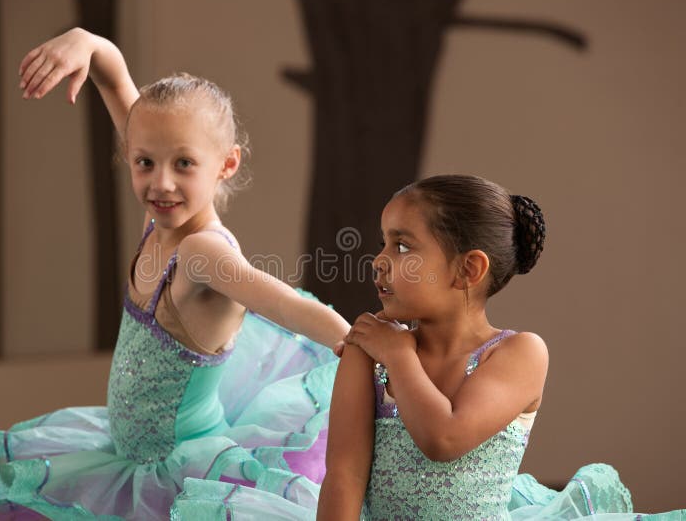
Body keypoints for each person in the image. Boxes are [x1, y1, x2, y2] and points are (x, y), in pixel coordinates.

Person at [0, 28, 349, 520]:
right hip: (122, 455)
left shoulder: (201, 252)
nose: (160, 182)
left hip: (178, 477)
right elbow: (116, 83)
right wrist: (87, 44)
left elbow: (288, 306)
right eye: (145, 162)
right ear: (129, 154)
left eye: (184, 163)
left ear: (226, 164)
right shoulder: (160, 221)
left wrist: (369, 350)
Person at [172, 175, 684, 519]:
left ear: (469, 269)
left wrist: (400, 356)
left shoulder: (520, 354)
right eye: (381, 243)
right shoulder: (365, 350)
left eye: (402, 245)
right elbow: (345, 476)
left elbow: (445, 437)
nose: (378, 260)